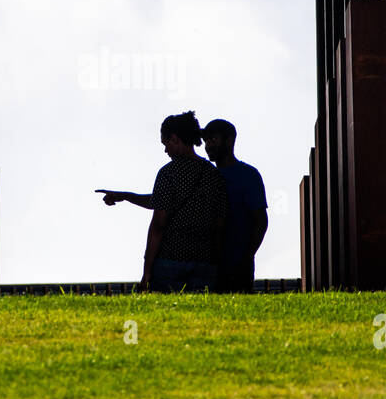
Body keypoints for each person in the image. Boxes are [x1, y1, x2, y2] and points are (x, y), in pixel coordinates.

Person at [96, 110, 227, 292]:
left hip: (170, 263)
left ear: (174, 139)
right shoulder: (214, 175)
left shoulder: (169, 173)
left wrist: (147, 272)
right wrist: (125, 196)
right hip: (205, 264)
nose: (166, 150)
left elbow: (159, 224)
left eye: (166, 144)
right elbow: (220, 226)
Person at [202, 118, 267, 293]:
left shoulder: (248, 175)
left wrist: (247, 255)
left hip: (238, 263)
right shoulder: (206, 176)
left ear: (229, 140)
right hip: (207, 263)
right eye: (206, 141)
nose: (208, 145)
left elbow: (261, 221)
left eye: (213, 139)